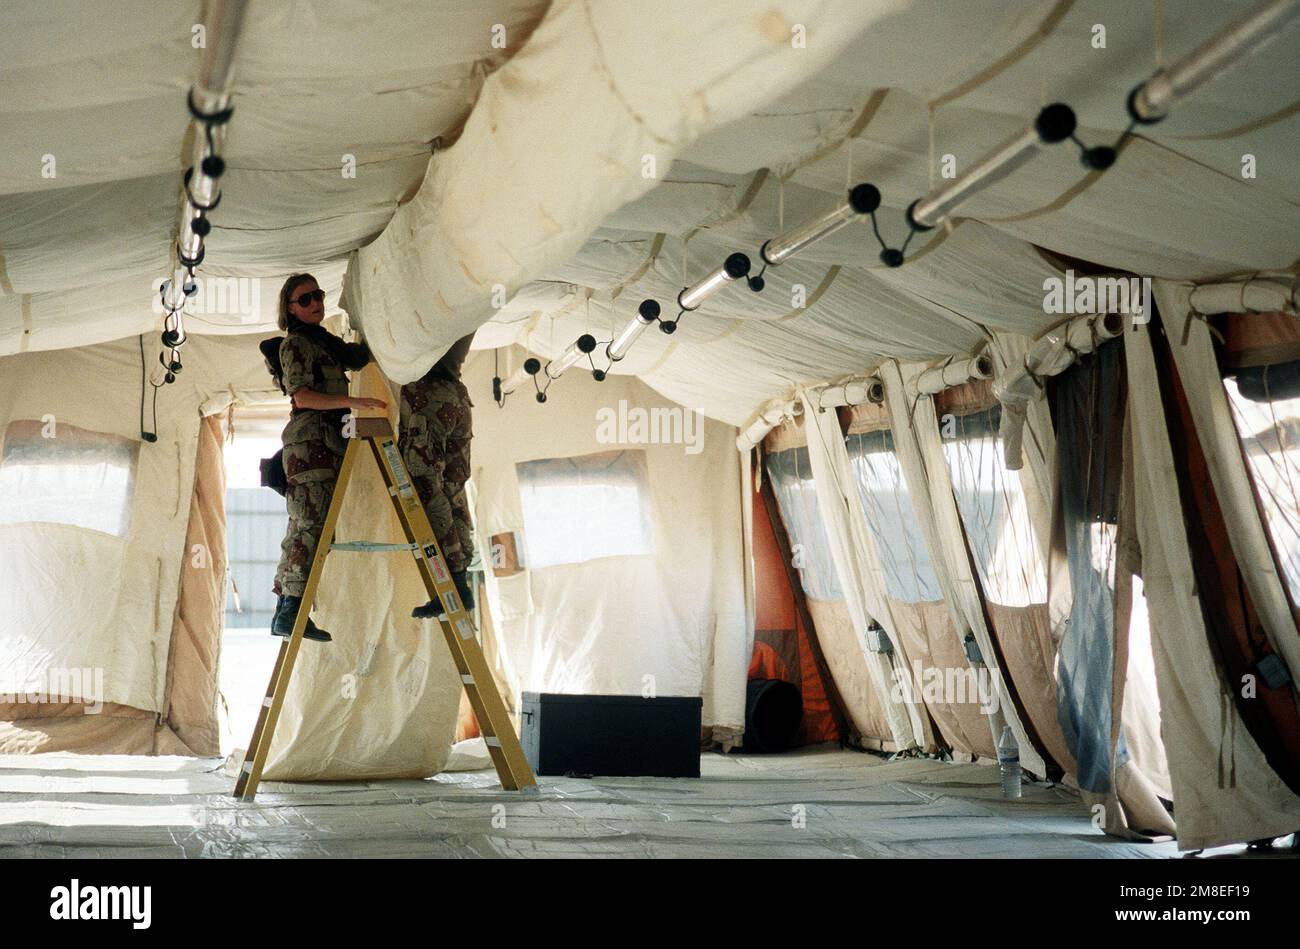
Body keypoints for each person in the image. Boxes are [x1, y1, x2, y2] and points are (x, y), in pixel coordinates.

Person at [266, 273, 385, 642]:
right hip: (311, 445)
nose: (315, 302)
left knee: (306, 526)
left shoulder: (323, 343)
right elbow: (302, 397)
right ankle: (292, 609)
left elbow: (356, 357)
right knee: (312, 528)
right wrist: (354, 401)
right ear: (290, 309)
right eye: (305, 299)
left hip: (323, 445)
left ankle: (286, 609)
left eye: (318, 295)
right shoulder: (296, 345)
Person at [399, 333, 476, 619]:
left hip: (428, 397)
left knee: (427, 488)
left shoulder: (434, 297)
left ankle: (454, 579)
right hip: (457, 396)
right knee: (453, 488)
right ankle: (461, 580)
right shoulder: (468, 297)